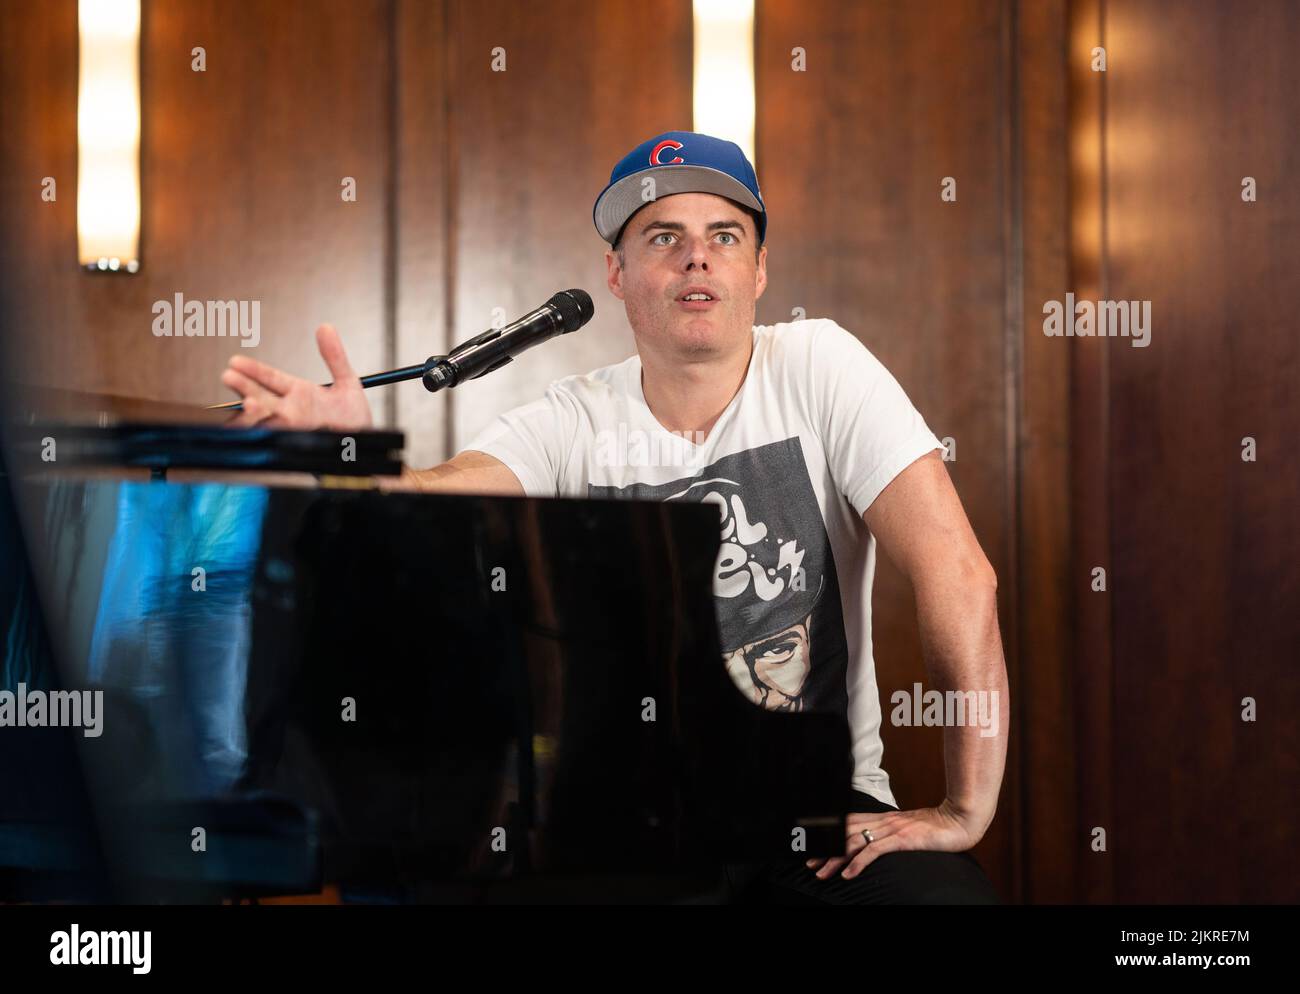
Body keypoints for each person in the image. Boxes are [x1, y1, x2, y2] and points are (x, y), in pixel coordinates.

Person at [220, 130, 1008, 904]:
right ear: (617, 274)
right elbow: (446, 493)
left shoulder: (819, 366)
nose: (696, 256)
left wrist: (963, 810)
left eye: (724, 235)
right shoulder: (575, 418)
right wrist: (353, 460)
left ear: (760, 269)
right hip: (635, 819)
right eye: (664, 236)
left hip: (817, 813)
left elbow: (956, 570)